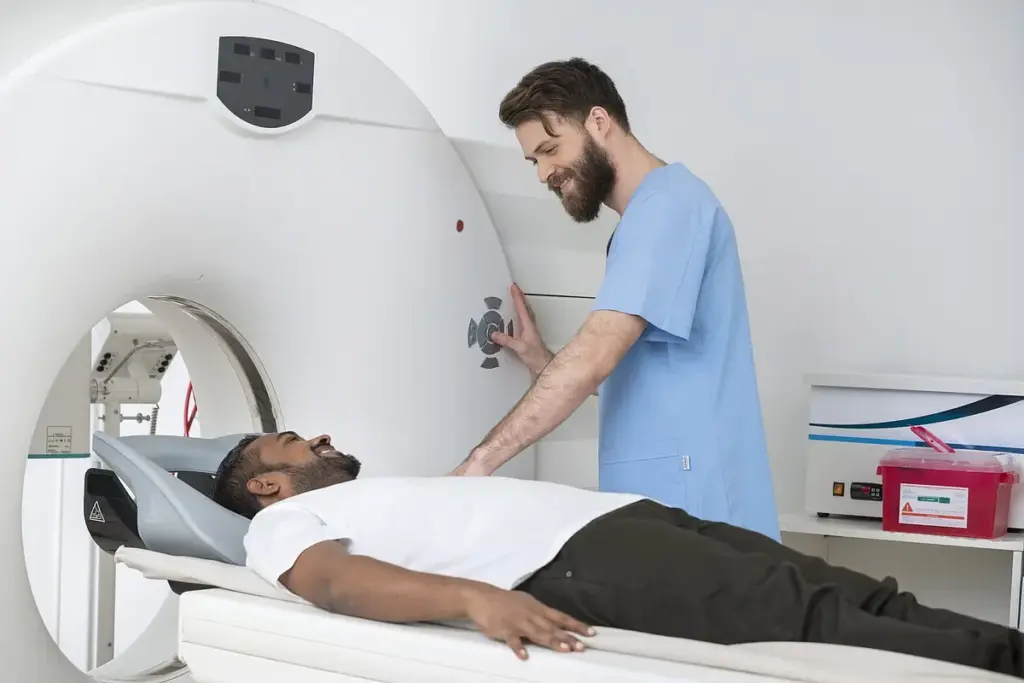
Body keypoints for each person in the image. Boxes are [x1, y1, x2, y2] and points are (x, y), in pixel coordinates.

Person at [212, 431, 1024, 677]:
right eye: (295, 441)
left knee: (859, 591)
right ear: (267, 486)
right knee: (813, 617)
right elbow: (332, 582)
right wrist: (473, 597)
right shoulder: (279, 527)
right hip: (573, 562)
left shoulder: (359, 493)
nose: (320, 437)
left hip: (620, 519)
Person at [453, 57, 780, 542]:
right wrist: (542, 360)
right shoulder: (652, 215)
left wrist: (480, 462)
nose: (543, 174)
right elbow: (648, 382)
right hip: (672, 502)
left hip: (693, 507)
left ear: (599, 122)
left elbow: (595, 355)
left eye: (549, 150)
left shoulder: (667, 209)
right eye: (533, 161)